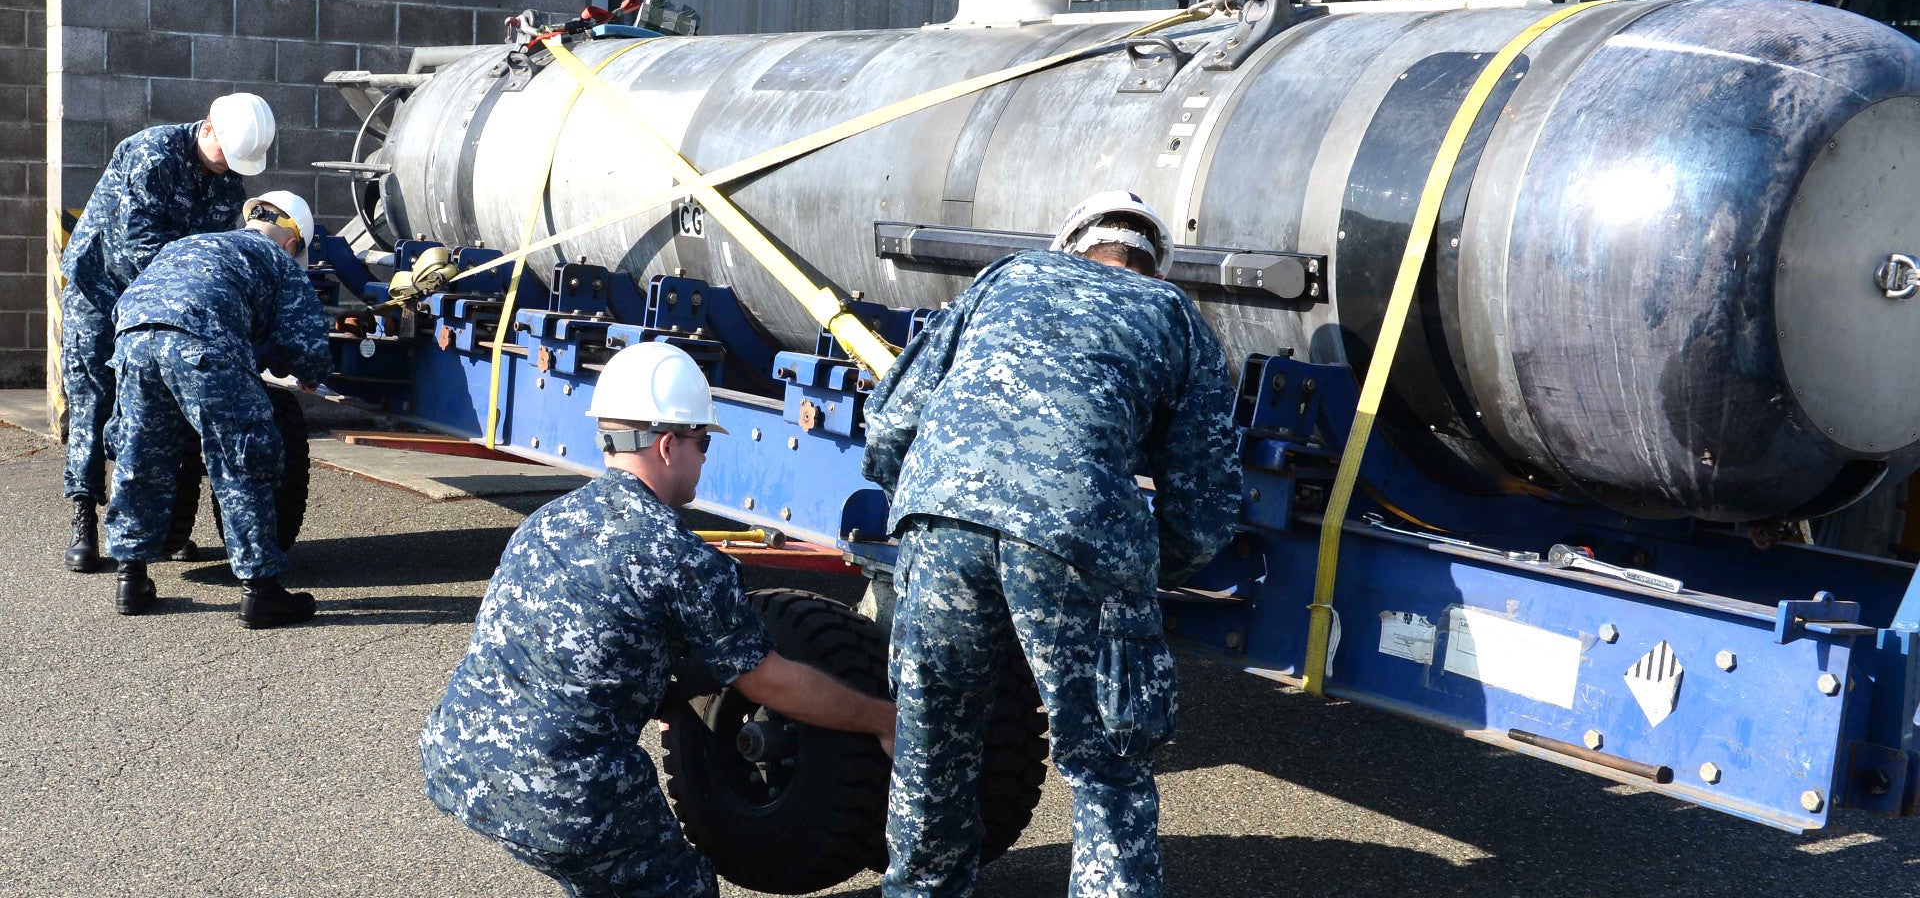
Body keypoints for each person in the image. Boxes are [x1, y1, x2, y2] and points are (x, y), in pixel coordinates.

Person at [863, 190, 1243, 897]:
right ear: (1154, 264)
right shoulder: (1172, 316)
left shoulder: (1006, 276)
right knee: (1107, 763)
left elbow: (891, 417)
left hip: (939, 517)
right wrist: (1140, 566)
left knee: (931, 746)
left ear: (1069, 245)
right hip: (1076, 535)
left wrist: (916, 503)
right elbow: (1206, 503)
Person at [419, 341, 897, 898]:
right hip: (562, 790)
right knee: (678, 887)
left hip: (457, 757)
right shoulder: (680, 558)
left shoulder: (547, 521)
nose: (705, 458)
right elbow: (769, 681)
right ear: (668, 445)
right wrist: (880, 718)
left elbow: (575, 652)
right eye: (702, 443)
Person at [59, 93, 277, 573]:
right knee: (94, 401)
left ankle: (160, 527)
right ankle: (84, 518)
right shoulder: (152, 155)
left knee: (165, 401)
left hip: (164, 300)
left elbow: (216, 248)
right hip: (103, 289)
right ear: (208, 129)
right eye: (228, 157)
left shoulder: (228, 177)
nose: (231, 170)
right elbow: (140, 247)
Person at [103, 191, 330, 628]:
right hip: (202, 343)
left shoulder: (191, 243)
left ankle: (131, 580)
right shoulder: (279, 261)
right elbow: (307, 344)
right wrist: (305, 369)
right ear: (291, 244)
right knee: (242, 456)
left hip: (132, 337)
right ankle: (261, 592)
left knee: (140, 456)